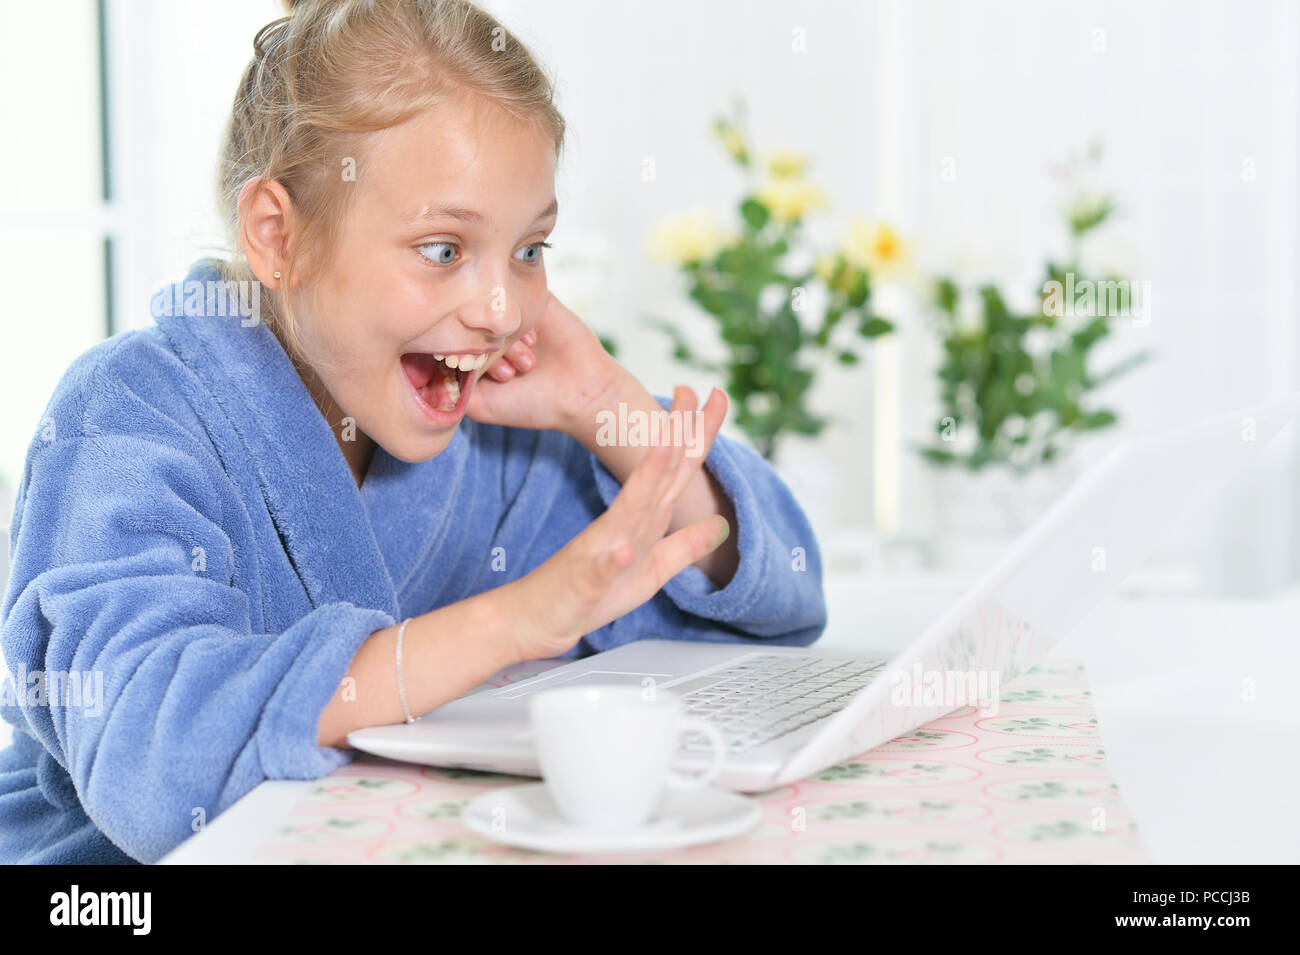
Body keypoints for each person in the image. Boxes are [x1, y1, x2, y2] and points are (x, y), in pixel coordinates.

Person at [0, 0, 826, 864]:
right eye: (443, 249)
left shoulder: (496, 446)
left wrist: (602, 402)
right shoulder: (127, 418)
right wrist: (512, 622)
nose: (502, 309)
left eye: (530, 249)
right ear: (278, 236)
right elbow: (151, 761)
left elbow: (769, 621)